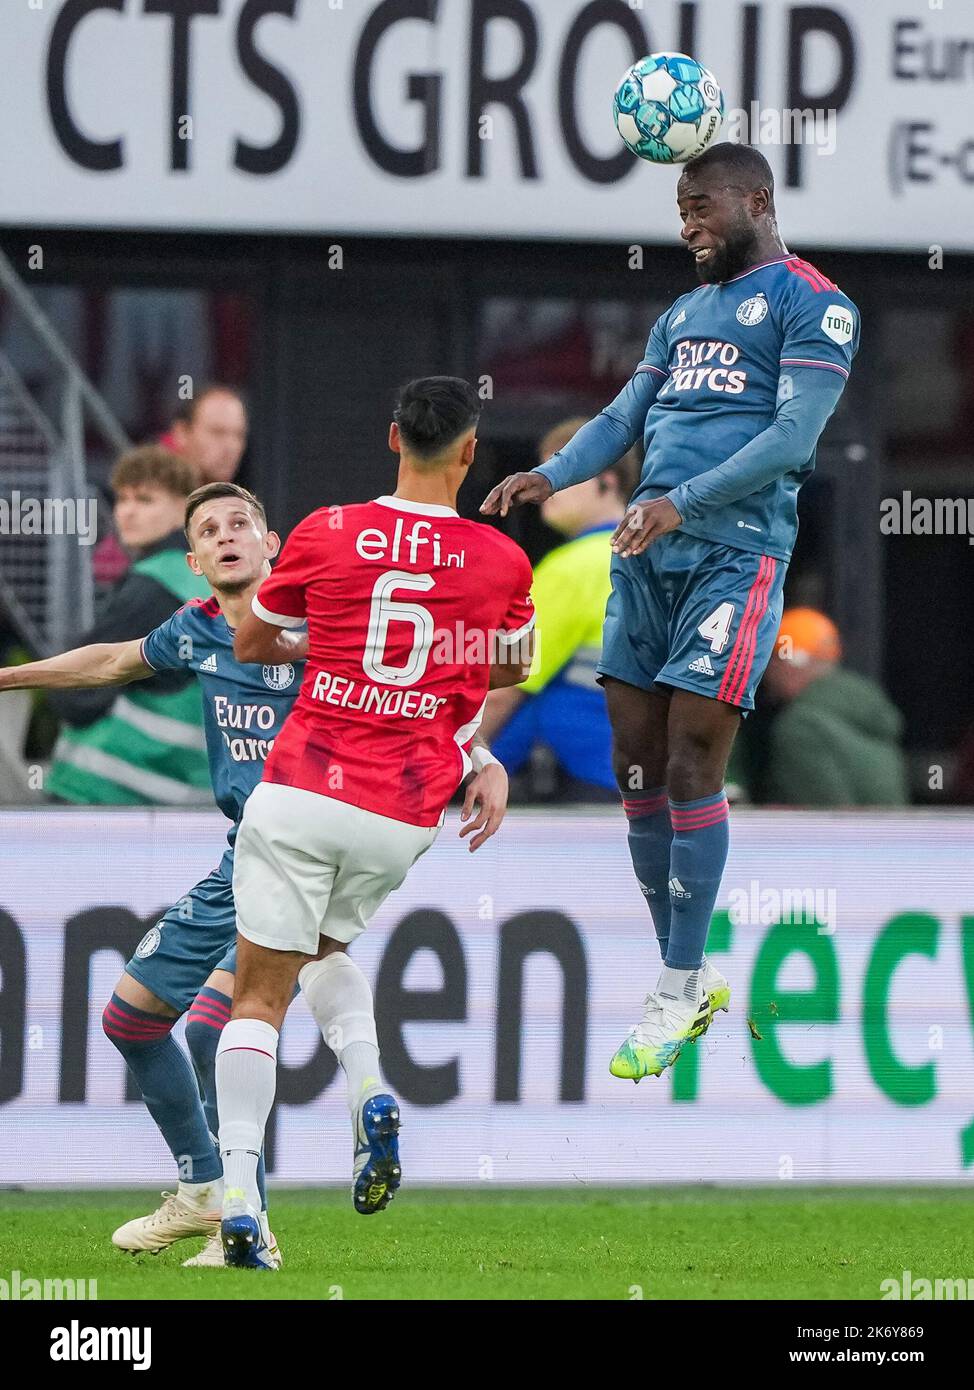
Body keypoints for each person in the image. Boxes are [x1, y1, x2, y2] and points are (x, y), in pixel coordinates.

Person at [482, 143, 860, 1082]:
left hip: (734, 558)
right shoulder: (682, 313)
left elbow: (792, 437)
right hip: (649, 555)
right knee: (635, 765)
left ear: (757, 199)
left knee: (694, 755)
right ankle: (683, 977)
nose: (684, 222)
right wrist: (551, 472)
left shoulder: (819, 304)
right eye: (678, 206)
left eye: (698, 204)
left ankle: (678, 978)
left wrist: (682, 501)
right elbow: (622, 418)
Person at [215, 377, 533, 1268]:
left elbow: (255, 641)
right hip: (401, 813)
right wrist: (469, 735)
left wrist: (333, 645)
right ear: (470, 453)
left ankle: (240, 1200)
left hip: (304, 786)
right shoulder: (502, 560)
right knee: (324, 951)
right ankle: (369, 1088)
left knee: (256, 998)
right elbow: (514, 666)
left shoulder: (327, 529)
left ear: (393, 436)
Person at [1, 483, 301, 1268]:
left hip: (310, 859)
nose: (228, 535)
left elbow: (402, 691)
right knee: (132, 1020)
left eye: (243, 522)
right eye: (210, 530)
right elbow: (108, 660)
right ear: (195, 562)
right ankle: (208, 1189)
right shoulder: (195, 630)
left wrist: (474, 760)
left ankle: (247, 1225)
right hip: (245, 856)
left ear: (272, 544)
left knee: (213, 1028)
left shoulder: (318, 627)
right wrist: (8, 679)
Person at [47, 446, 211, 806]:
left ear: (185, 508)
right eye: (122, 499)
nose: (127, 512)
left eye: (146, 500)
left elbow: (76, 690)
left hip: (104, 790)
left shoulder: (156, 583)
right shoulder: (203, 578)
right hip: (183, 793)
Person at [481, 418, 633, 799]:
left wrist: (440, 767)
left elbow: (505, 684)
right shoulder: (662, 555)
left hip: (572, 779)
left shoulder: (573, 566)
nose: (545, 486)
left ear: (606, 479)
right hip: (641, 777)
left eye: (563, 470)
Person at [93, 386, 249, 585]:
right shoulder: (147, 479)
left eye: (239, 435)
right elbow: (106, 568)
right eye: (217, 432)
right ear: (182, 433)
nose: (231, 447)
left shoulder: (228, 501)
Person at [761, 608, 908, 806]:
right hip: (895, 835)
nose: (766, 674)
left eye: (771, 661)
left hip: (849, 836)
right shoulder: (867, 710)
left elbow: (824, 824)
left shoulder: (801, 727)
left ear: (789, 665)